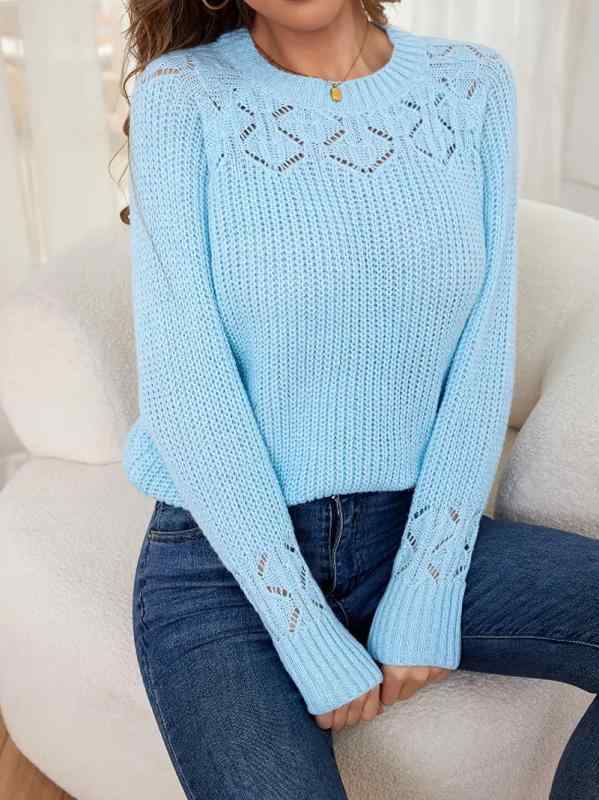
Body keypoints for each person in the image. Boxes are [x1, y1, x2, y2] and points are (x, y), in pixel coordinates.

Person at [120, 0, 599, 798]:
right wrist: (303, 630)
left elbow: (483, 346)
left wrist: (430, 579)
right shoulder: (184, 96)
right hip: (222, 564)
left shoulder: (471, 84)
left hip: (403, 527)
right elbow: (184, 383)